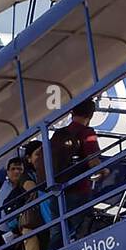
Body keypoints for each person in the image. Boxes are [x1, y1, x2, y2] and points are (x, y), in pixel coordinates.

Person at [49, 97, 102, 236]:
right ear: (91, 115)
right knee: (82, 231)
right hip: (78, 190)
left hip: (56, 191)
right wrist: (105, 170)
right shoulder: (87, 133)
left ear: (72, 112)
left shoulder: (57, 135)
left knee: (57, 234)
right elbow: (94, 162)